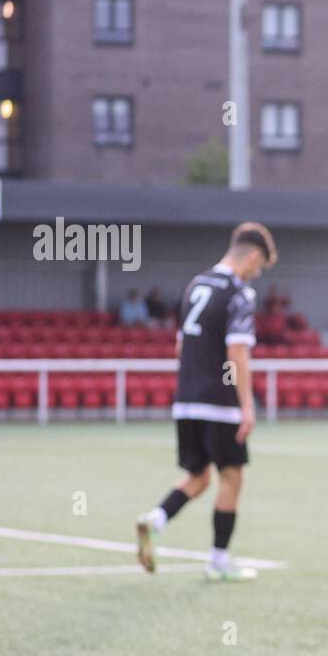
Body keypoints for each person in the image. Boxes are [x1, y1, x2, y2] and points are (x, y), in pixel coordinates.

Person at [135, 222, 277, 581]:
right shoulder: (239, 293)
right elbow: (237, 353)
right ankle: (218, 561)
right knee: (231, 477)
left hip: (186, 400)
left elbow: (182, 346)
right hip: (220, 403)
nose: (255, 275)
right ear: (253, 256)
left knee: (197, 477)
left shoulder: (195, 285)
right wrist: (246, 405)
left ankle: (156, 519)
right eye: (259, 268)